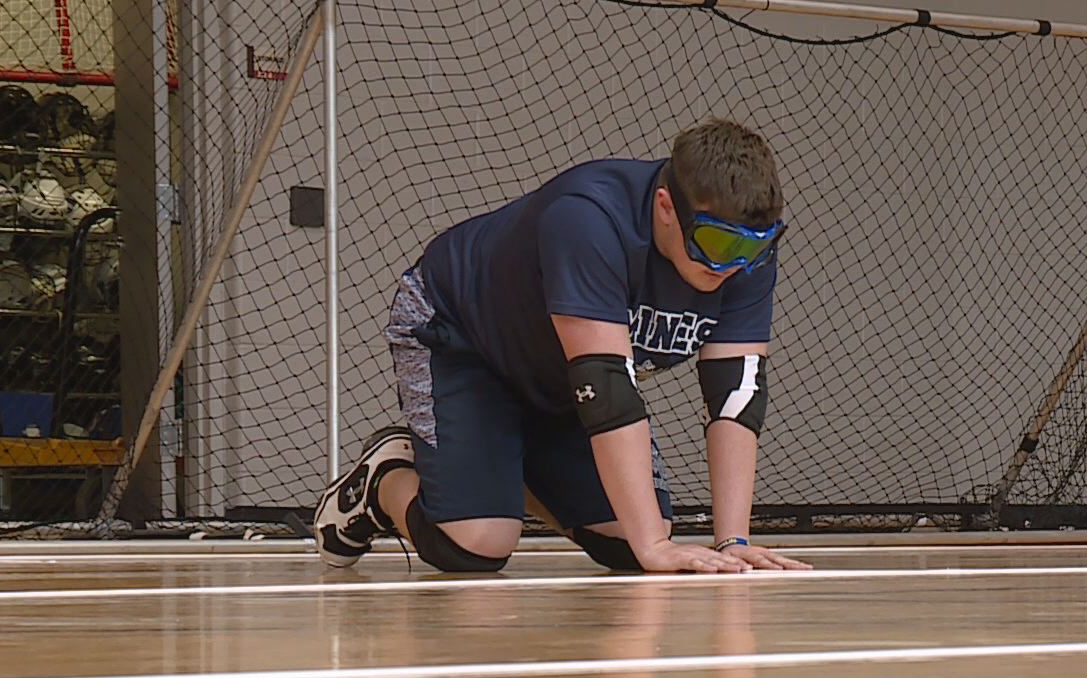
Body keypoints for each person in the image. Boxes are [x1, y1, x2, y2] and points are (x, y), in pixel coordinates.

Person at [313, 118, 811, 574]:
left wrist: (733, 539)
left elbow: (735, 393)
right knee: (474, 544)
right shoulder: (590, 218)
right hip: (461, 336)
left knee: (628, 545)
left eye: (754, 247)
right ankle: (382, 484)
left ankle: (499, 467)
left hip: (556, 373)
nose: (732, 265)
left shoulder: (747, 257)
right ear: (665, 208)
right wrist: (655, 548)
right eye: (720, 244)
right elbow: (607, 388)